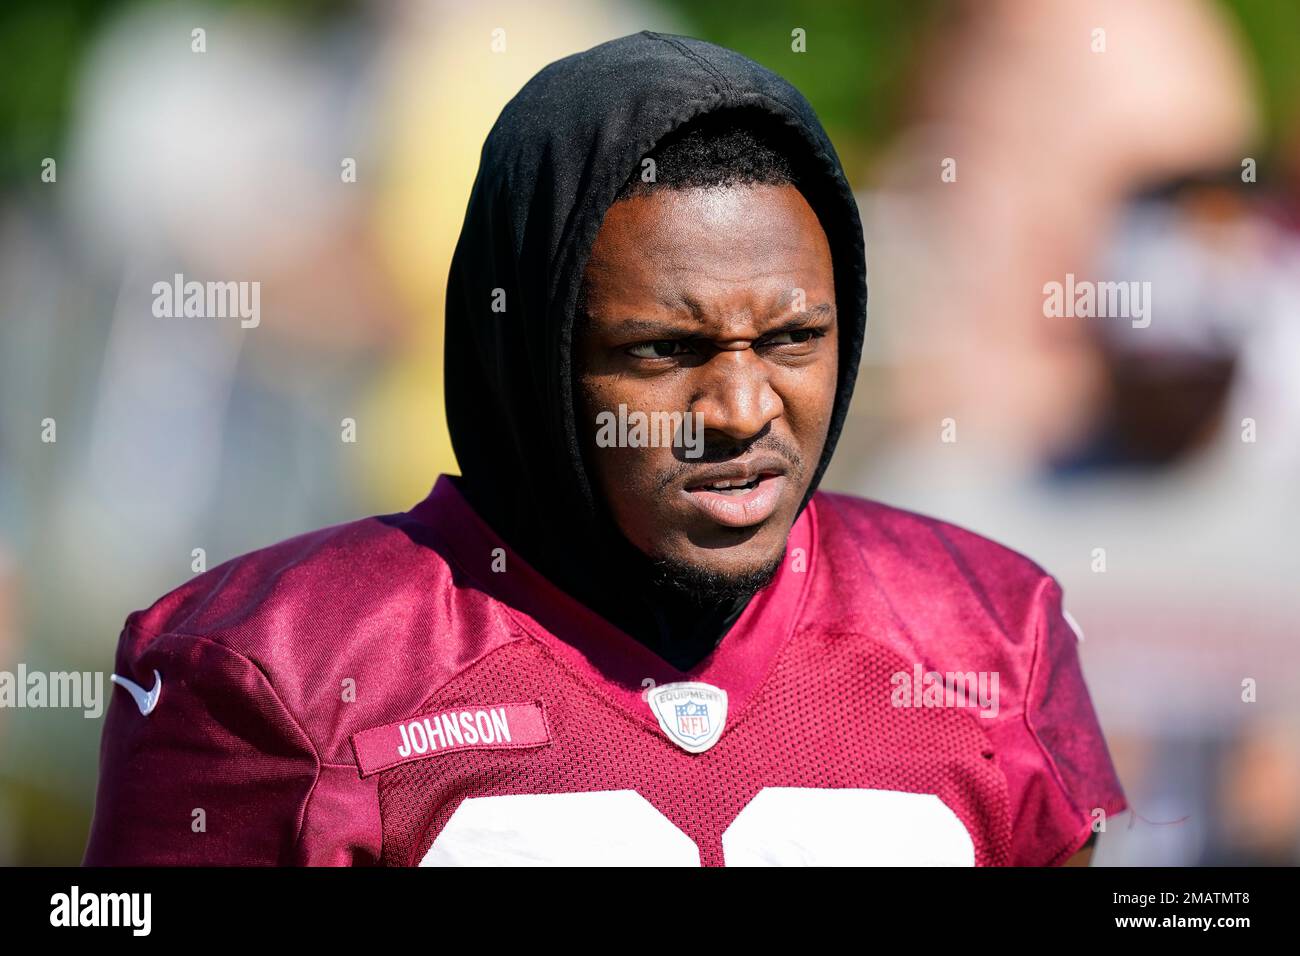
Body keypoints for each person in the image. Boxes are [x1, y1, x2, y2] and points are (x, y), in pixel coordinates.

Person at [83, 31, 1125, 866]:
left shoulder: (988, 632)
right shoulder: (271, 670)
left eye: (792, 338)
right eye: (666, 349)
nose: (740, 407)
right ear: (527, 353)